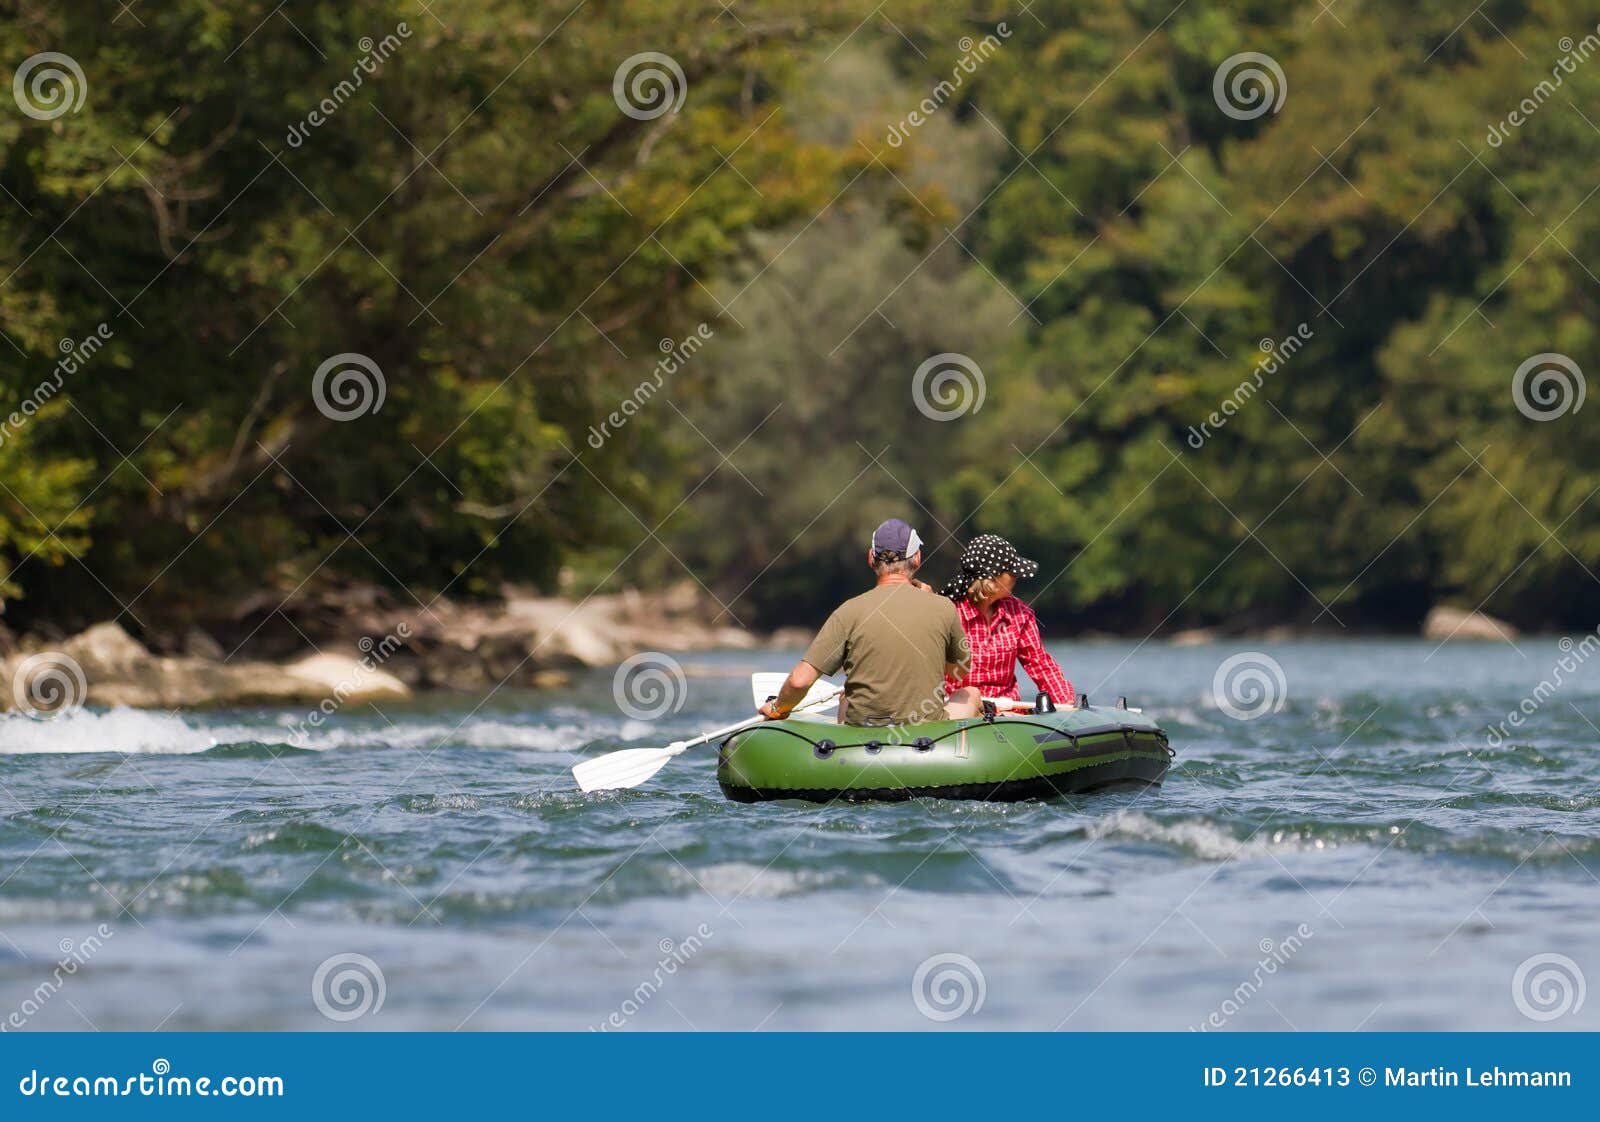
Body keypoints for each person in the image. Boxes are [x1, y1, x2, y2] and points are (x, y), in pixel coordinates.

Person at [758, 519, 980, 725]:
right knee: (971, 693)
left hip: (864, 733)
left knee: (847, 694)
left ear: (871, 558)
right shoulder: (943, 607)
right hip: (925, 732)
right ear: (917, 559)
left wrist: (778, 708)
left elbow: (799, 681)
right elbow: (958, 671)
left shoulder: (847, 611)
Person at [938, 534, 1075, 708]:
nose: (1016, 577)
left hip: (1006, 711)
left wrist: (1066, 702)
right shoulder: (946, 612)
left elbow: (1039, 663)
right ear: (992, 580)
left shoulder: (1020, 613)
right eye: (1011, 572)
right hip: (957, 710)